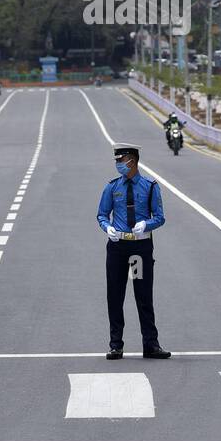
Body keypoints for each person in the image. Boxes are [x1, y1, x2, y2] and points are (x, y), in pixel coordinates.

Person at [96, 143, 170, 360]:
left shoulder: (150, 186)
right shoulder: (112, 187)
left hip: (139, 247)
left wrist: (146, 225)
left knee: (143, 296)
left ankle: (151, 345)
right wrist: (106, 227)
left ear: (133, 160)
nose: (119, 164)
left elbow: (160, 216)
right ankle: (116, 345)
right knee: (115, 296)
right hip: (118, 247)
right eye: (117, 161)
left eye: (122, 160)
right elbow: (102, 214)